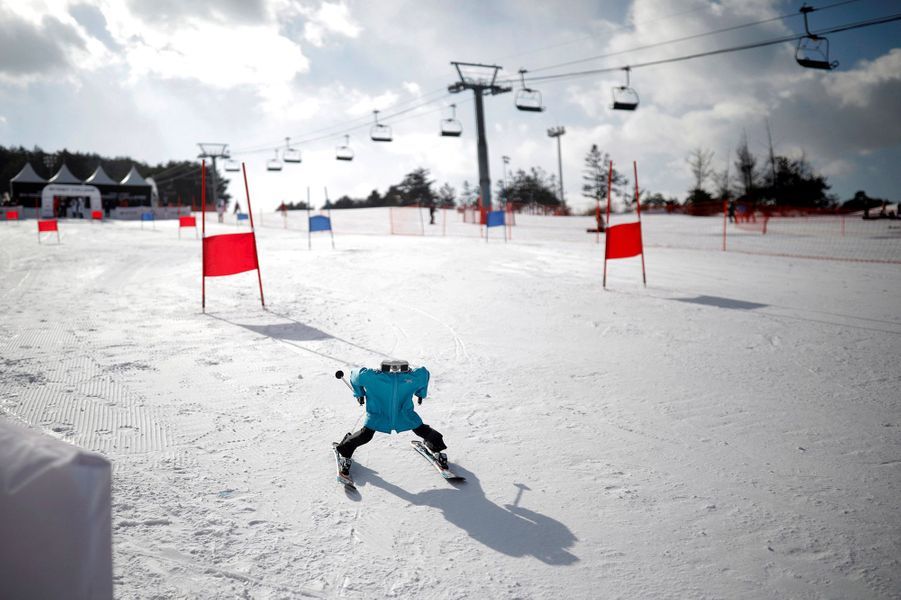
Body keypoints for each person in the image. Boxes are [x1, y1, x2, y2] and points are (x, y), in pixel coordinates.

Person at [334, 360, 448, 477]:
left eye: (398, 369)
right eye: (392, 369)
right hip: (379, 414)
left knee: (421, 430)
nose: (395, 371)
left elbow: (424, 374)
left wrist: (421, 393)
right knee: (366, 435)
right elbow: (354, 375)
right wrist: (359, 394)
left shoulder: (376, 377)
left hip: (403, 413)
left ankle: (436, 448)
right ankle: (344, 451)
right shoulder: (375, 377)